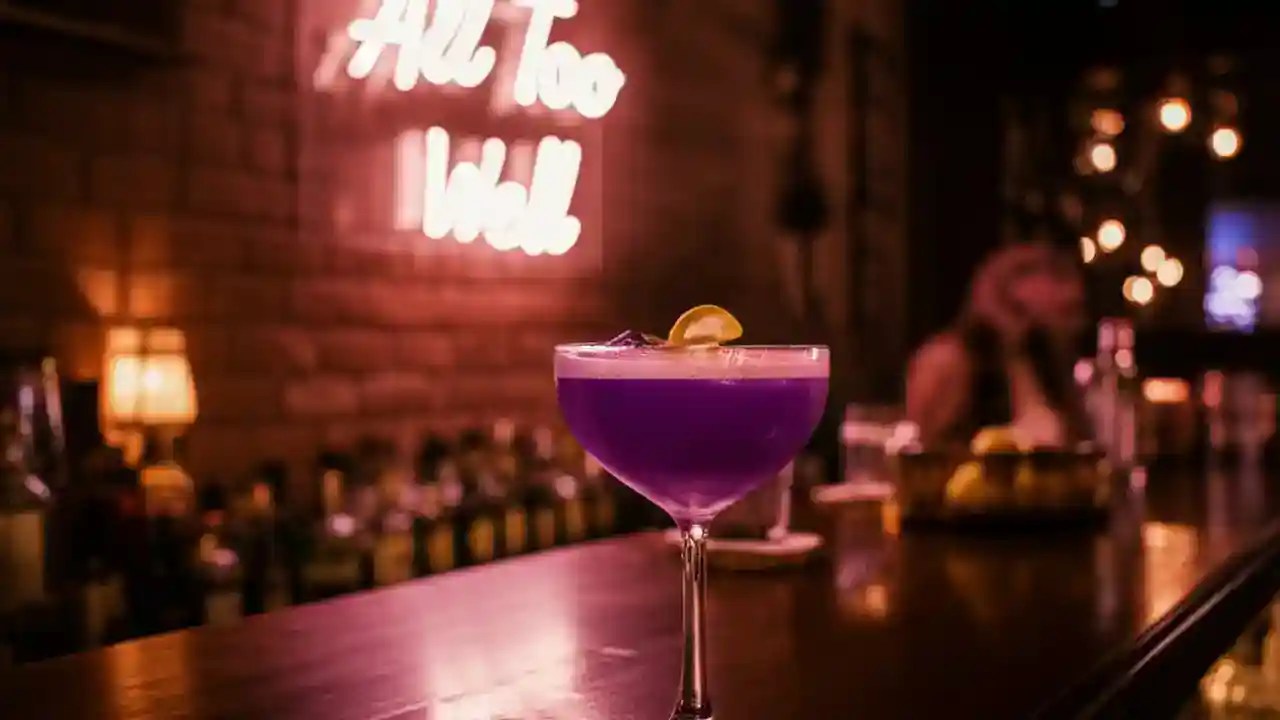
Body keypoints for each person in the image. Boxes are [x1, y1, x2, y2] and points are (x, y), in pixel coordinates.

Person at [906, 242, 1091, 449]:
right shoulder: (950, 358)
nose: (1073, 291)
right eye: (1058, 277)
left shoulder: (1042, 363)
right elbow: (928, 447)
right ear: (1015, 285)